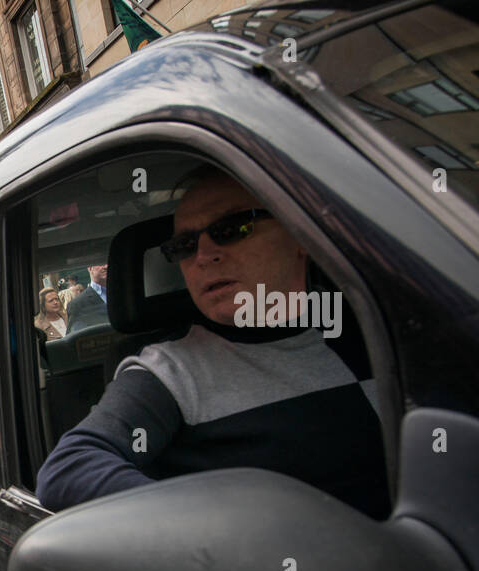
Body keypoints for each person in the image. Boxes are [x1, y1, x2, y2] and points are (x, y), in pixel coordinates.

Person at [36, 166, 388, 519]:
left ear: (299, 236)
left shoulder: (378, 331)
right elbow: (69, 471)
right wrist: (229, 536)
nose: (203, 255)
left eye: (232, 228)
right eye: (184, 246)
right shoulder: (169, 371)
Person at [65, 265, 109, 332]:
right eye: (100, 263)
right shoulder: (77, 304)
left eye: (108, 262)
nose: (106, 266)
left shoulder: (126, 293)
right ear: (90, 268)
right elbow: (75, 337)